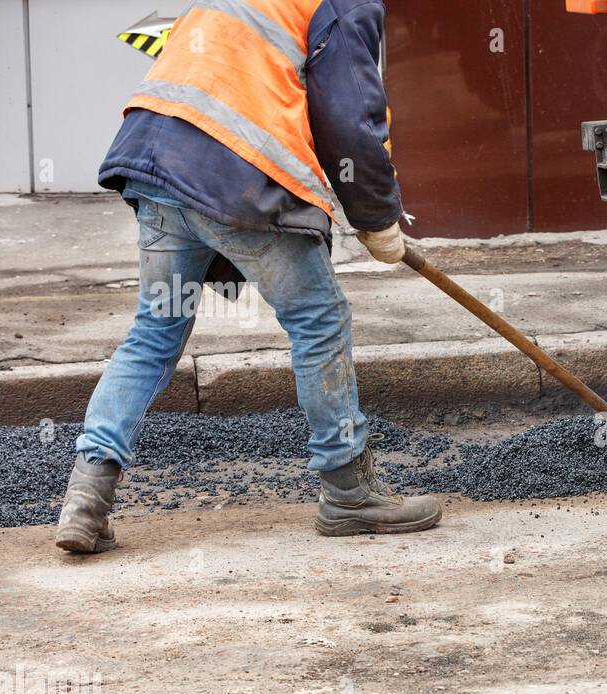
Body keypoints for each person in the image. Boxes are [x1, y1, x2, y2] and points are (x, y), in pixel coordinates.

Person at [55, 0, 439, 554]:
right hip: (233, 170)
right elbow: (349, 118)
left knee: (153, 333)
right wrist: (378, 217)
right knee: (318, 320)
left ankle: (85, 500)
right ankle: (349, 493)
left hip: (155, 159)